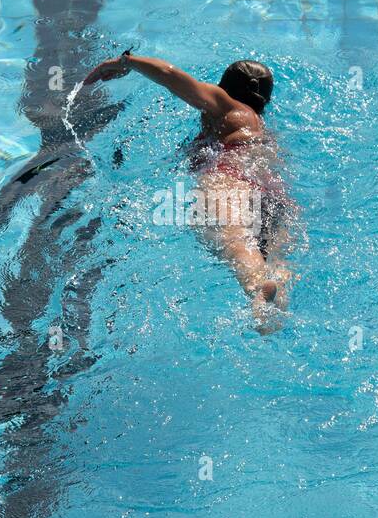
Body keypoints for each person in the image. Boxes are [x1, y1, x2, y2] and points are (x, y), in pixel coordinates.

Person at [83, 51, 294, 325]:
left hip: (231, 180)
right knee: (277, 265)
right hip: (276, 199)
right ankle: (272, 315)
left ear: (223, 87)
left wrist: (128, 61)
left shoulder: (225, 105)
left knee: (236, 243)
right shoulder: (263, 130)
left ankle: (257, 288)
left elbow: (170, 75)